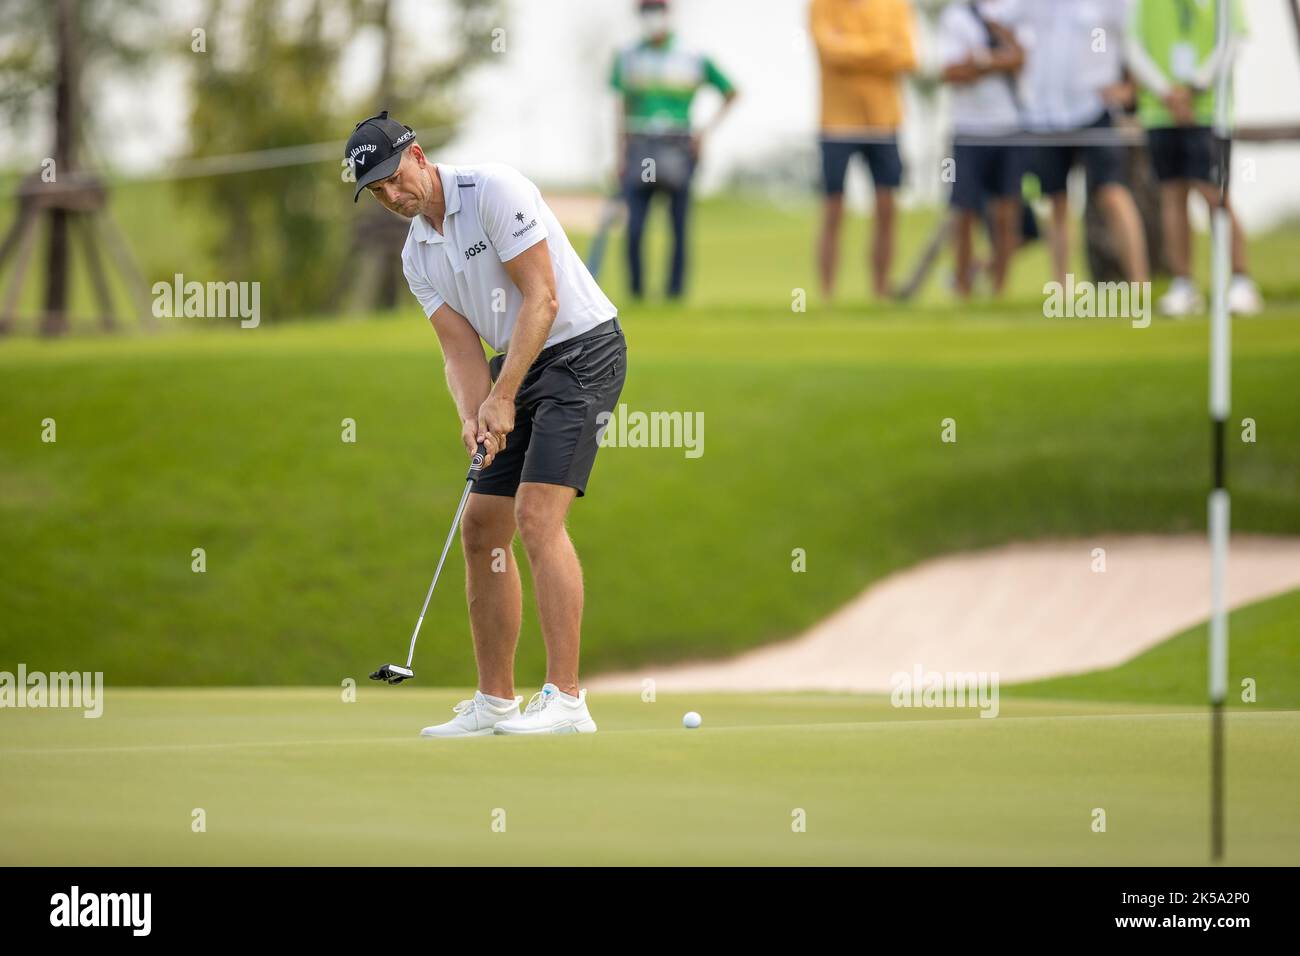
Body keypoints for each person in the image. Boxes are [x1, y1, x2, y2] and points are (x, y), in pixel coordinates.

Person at [345, 111, 627, 737]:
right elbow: (458, 349)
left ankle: (566, 699)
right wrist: (474, 417)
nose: (393, 196)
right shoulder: (417, 254)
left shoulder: (494, 189)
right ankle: (495, 701)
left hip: (582, 351)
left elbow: (543, 299)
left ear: (417, 156)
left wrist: (504, 398)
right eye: (378, 191)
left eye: (394, 177)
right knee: (481, 526)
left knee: (535, 515)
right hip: (517, 366)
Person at [1125, 0, 1262, 316]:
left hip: (1208, 111)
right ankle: (1184, 285)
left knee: (1213, 193)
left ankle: (1241, 281)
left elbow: (1233, 41)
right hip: (1160, 112)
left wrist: (1195, 86)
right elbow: (1134, 46)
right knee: (1172, 195)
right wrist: (1166, 91)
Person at [1010, 0, 1150, 287]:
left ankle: (1140, 284)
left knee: (1112, 192)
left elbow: (1136, 38)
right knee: (1056, 201)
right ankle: (1061, 291)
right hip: (1045, 114)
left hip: (1094, 109)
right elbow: (998, 15)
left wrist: (1130, 88)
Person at [610, 0, 738, 300]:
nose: (652, 16)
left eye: (657, 9)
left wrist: (704, 133)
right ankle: (637, 293)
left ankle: (675, 294)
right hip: (640, 147)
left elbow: (731, 92)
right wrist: (619, 155)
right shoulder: (627, 57)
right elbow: (620, 108)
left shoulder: (691, 56)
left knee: (678, 227)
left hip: (678, 148)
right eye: (646, 10)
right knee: (636, 227)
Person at [810, 0, 917, 299]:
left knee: (886, 208)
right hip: (836, 123)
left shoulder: (896, 5)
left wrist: (852, 50)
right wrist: (881, 50)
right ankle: (826, 296)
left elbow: (907, 57)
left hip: (884, 123)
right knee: (833, 209)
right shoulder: (822, 4)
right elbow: (829, 52)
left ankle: (880, 292)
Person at [938, 0, 1026, 298]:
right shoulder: (955, 17)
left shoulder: (1014, 11)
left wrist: (981, 62)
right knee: (964, 213)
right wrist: (996, 61)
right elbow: (950, 72)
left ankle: (999, 290)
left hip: (1009, 127)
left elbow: (1022, 58)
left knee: (1006, 213)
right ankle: (963, 287)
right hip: (967, 130)